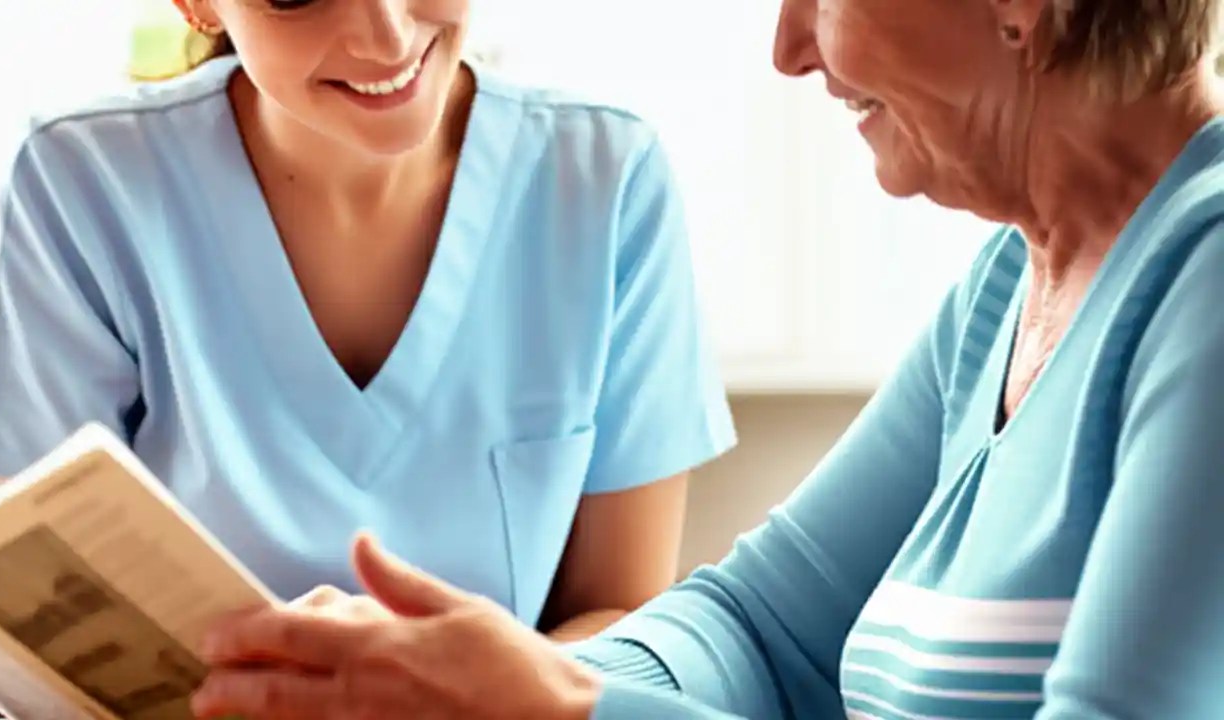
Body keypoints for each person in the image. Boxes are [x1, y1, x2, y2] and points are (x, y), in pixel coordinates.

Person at [186, 0, 1224, 717]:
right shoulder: (1011, 286)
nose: (789, 47)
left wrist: (556, 707)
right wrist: (443, 678)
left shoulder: (1205, 284)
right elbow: (762, 633)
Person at [0, 0, 736, 642]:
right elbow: (56, 619)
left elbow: (622, 618)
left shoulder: (605, 179)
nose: (386, 34)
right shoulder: (83, 182)